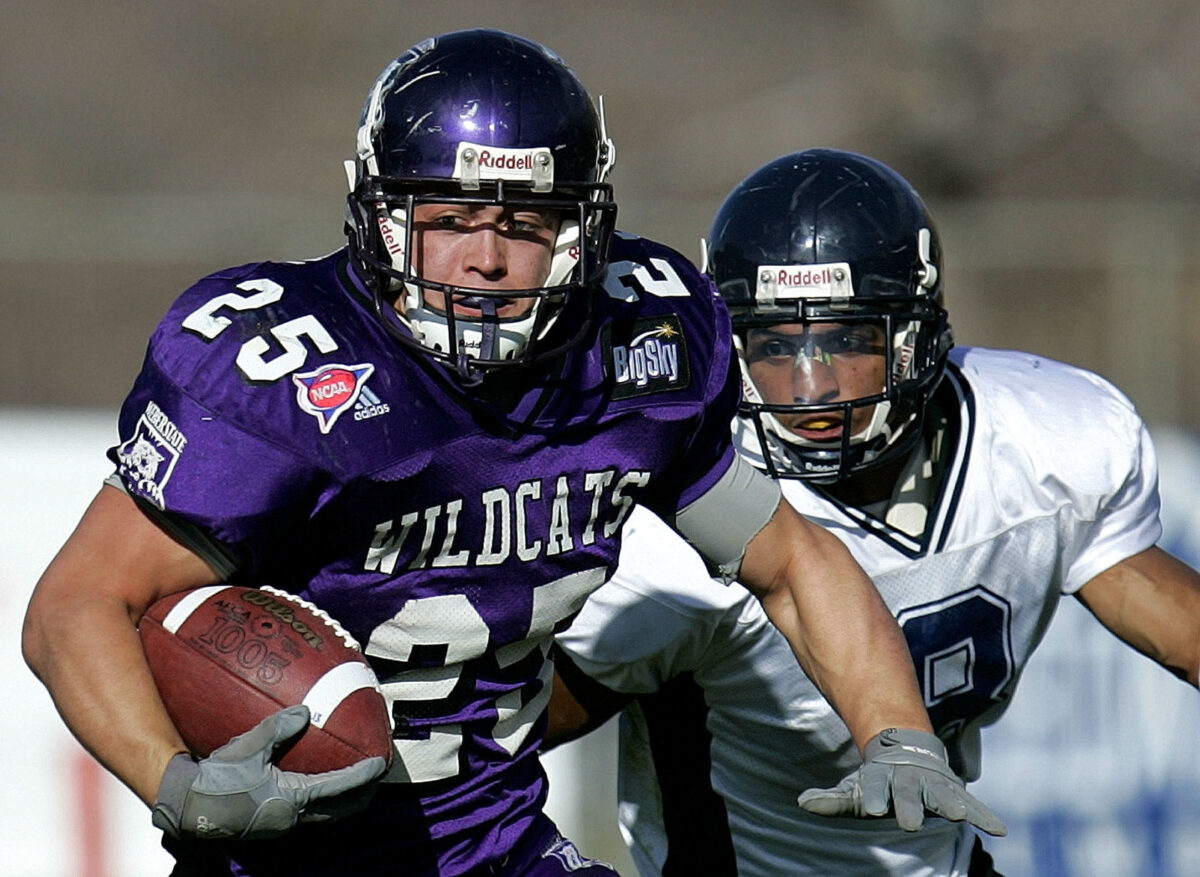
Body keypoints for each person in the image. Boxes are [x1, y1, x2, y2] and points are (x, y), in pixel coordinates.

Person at [20, 35, 1002, 877]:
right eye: (449, 221)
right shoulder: (284, 370)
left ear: (582, 231)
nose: (485, 259)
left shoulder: (638, 344)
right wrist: (174, 781)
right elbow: (78, 601)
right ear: (381, 218)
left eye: (525, 224)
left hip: (496, 841)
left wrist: (897, 732)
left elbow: (788, 559)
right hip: (284, 855)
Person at [548, 148, 1200, 876]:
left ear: (913, 336)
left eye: (847, 340)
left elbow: (1179, 629)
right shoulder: (683, 520)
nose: (812, 385)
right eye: (774, 346)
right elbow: (503, 740)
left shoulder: (1042, 441)